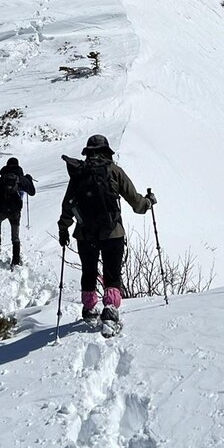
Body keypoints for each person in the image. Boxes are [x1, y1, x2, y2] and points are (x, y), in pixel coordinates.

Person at [58, 134, 155, 326]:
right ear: (106, 152)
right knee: (112, 272)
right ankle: (110, 309)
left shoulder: (78, 173)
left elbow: (67, 204)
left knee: (89, 271)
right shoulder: (114, 171)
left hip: (85, 234)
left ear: (88, 152)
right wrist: (149, 202)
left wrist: (63, 229)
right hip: (113, 233)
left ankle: (89, 309)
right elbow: (137, 204)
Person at [0, 157, 36, 266]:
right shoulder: (21, 178)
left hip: (3, 210)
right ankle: (15, 260)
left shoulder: (3, 179)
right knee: (15, 236)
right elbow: (32, 192)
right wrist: (28, 179)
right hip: (15, 212)